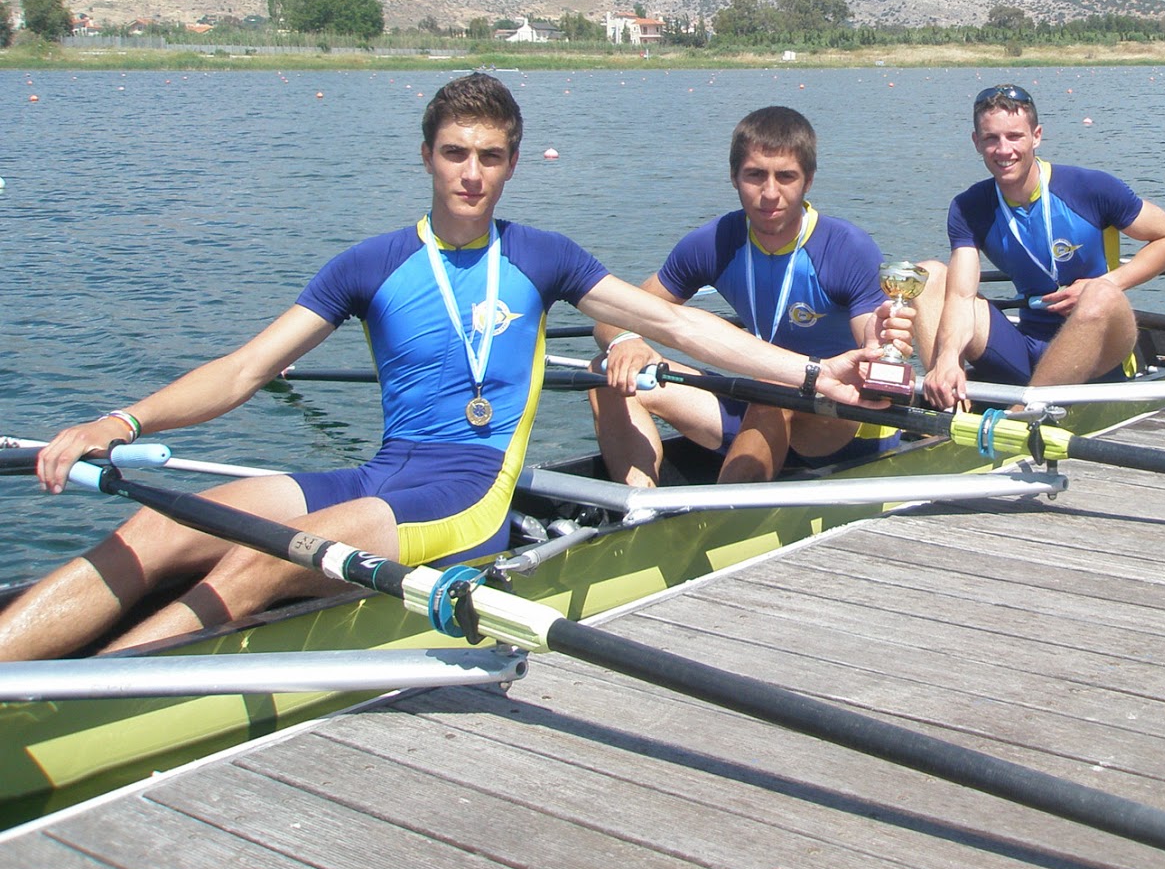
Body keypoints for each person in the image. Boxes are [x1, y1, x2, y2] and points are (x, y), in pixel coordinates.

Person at [0, 76, 882, 662]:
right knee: (157, 526)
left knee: (259, 562)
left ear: (510, 164)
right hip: (384, 470)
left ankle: (84, 699)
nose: (473, 174)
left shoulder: (545, 258)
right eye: (456, 153)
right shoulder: (369, 263)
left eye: (491, 157)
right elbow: (241, 371)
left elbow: (675, 325)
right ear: (427, 156)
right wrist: (119, 424)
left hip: (466, 496)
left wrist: (816, 379)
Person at [591, 106, 909, 486]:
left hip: (839, 424)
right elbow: (610, 316)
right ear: (734, 177)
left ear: (807, 182)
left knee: (775, 391)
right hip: (760, 407)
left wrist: (884, 341)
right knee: (603, 371)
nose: (770, 193)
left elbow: (871, 347)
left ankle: (719, 522)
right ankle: (639, 507)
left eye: (786, 177)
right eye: (755, 175)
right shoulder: (714, 243)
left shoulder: (845, 249)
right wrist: (627, 339)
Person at [918, 83, 1165, 409]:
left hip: (1099, 354)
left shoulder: (1090, 188)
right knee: (928, 277)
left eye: (1015, 136)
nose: (1004, 150)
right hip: (1027, 347)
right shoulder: (968, 207)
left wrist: (1105, 282)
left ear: (1037, 136)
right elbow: (961, 296)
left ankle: (1020, 416)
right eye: (991, 138)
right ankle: (950, 407)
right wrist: (947, 356)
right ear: (976, 142)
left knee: (1100, 295)